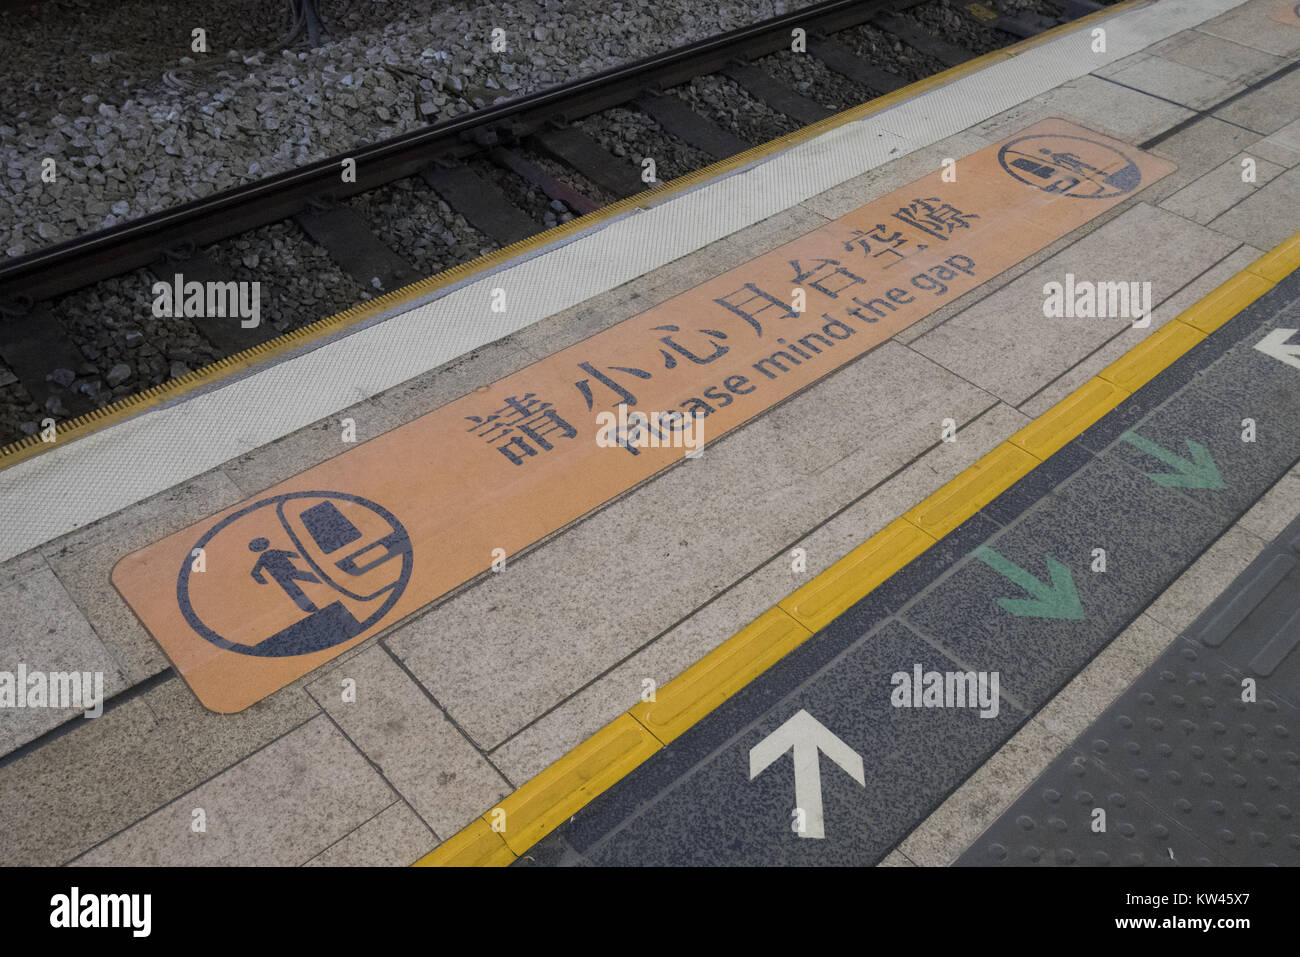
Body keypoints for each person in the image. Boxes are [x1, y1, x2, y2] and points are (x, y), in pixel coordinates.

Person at [249, 537, 321, 613]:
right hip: (284, 574)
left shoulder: (270, 554)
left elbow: (255, 572)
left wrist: (262, 580)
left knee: (298, 587)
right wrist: (262, 581)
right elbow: (255, 572)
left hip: (285, 573)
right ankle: (309, 607)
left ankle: (309, 607)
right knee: (296, 589)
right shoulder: (269, 555)